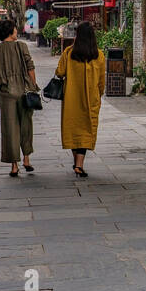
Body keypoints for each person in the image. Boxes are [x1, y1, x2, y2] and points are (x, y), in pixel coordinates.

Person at [0, 19, 39, 177]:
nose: (17, 31)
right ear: (10, 31)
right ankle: (27, 159)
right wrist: (32, 86)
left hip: (6, 94)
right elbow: (30, 68)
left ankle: (14, 165)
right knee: (26, 125)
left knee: (10, 128)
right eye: (15, 29)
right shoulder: (22, 46)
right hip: (23, 91)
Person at [56, 21, 105, 178]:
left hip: (72, 99)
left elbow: (59, 72)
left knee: (73, 130)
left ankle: (77, 163)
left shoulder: (69, 53)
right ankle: (79, 165)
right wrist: (99, 94)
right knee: (86, 129)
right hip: (91, 99)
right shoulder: (99, 55)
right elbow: (101, 81)